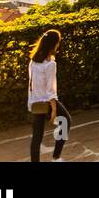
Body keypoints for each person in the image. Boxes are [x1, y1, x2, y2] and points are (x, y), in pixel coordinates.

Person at [27, 28, 71, 162]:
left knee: (37, 136)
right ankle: (56, 157)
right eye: (58, 42)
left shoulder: (33, 61)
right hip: (48, 101)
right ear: (53, 44)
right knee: (66, 122)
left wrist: (31, 102)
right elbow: (50, 89)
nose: (58, 45)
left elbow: (32, 84)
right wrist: (54, 109)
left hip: (35, 102)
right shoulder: (50, 64)